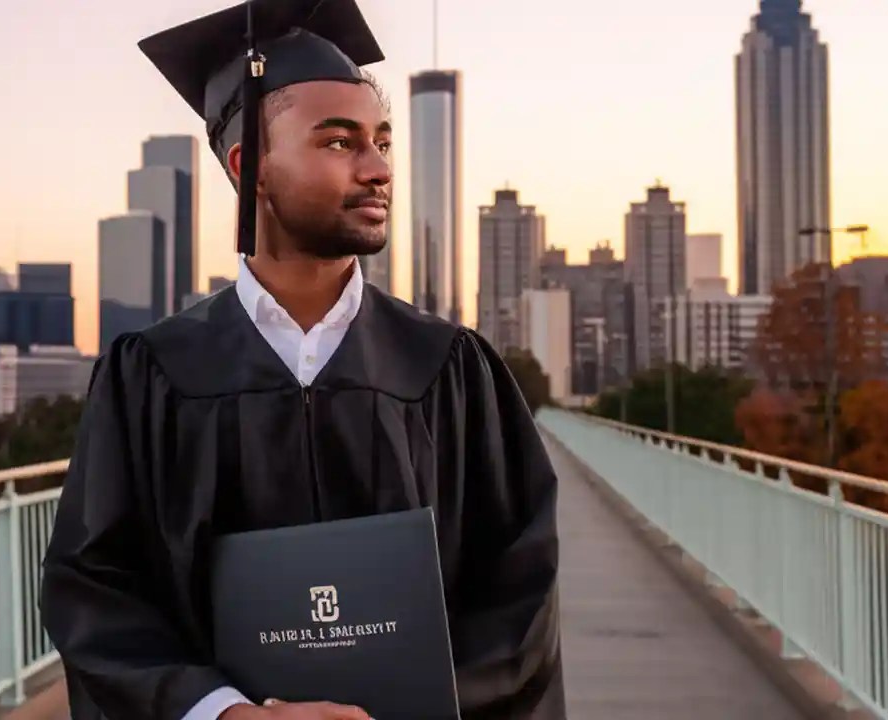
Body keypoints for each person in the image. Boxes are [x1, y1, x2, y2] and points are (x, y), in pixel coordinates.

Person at [39, 0, 565, 718]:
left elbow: (521, 592)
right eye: (340, 143)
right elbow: (95, 587)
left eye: (382, 141)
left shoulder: (449, 367)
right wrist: (222, 712)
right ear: (248, 166)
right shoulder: (153, 373)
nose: (379, 168)